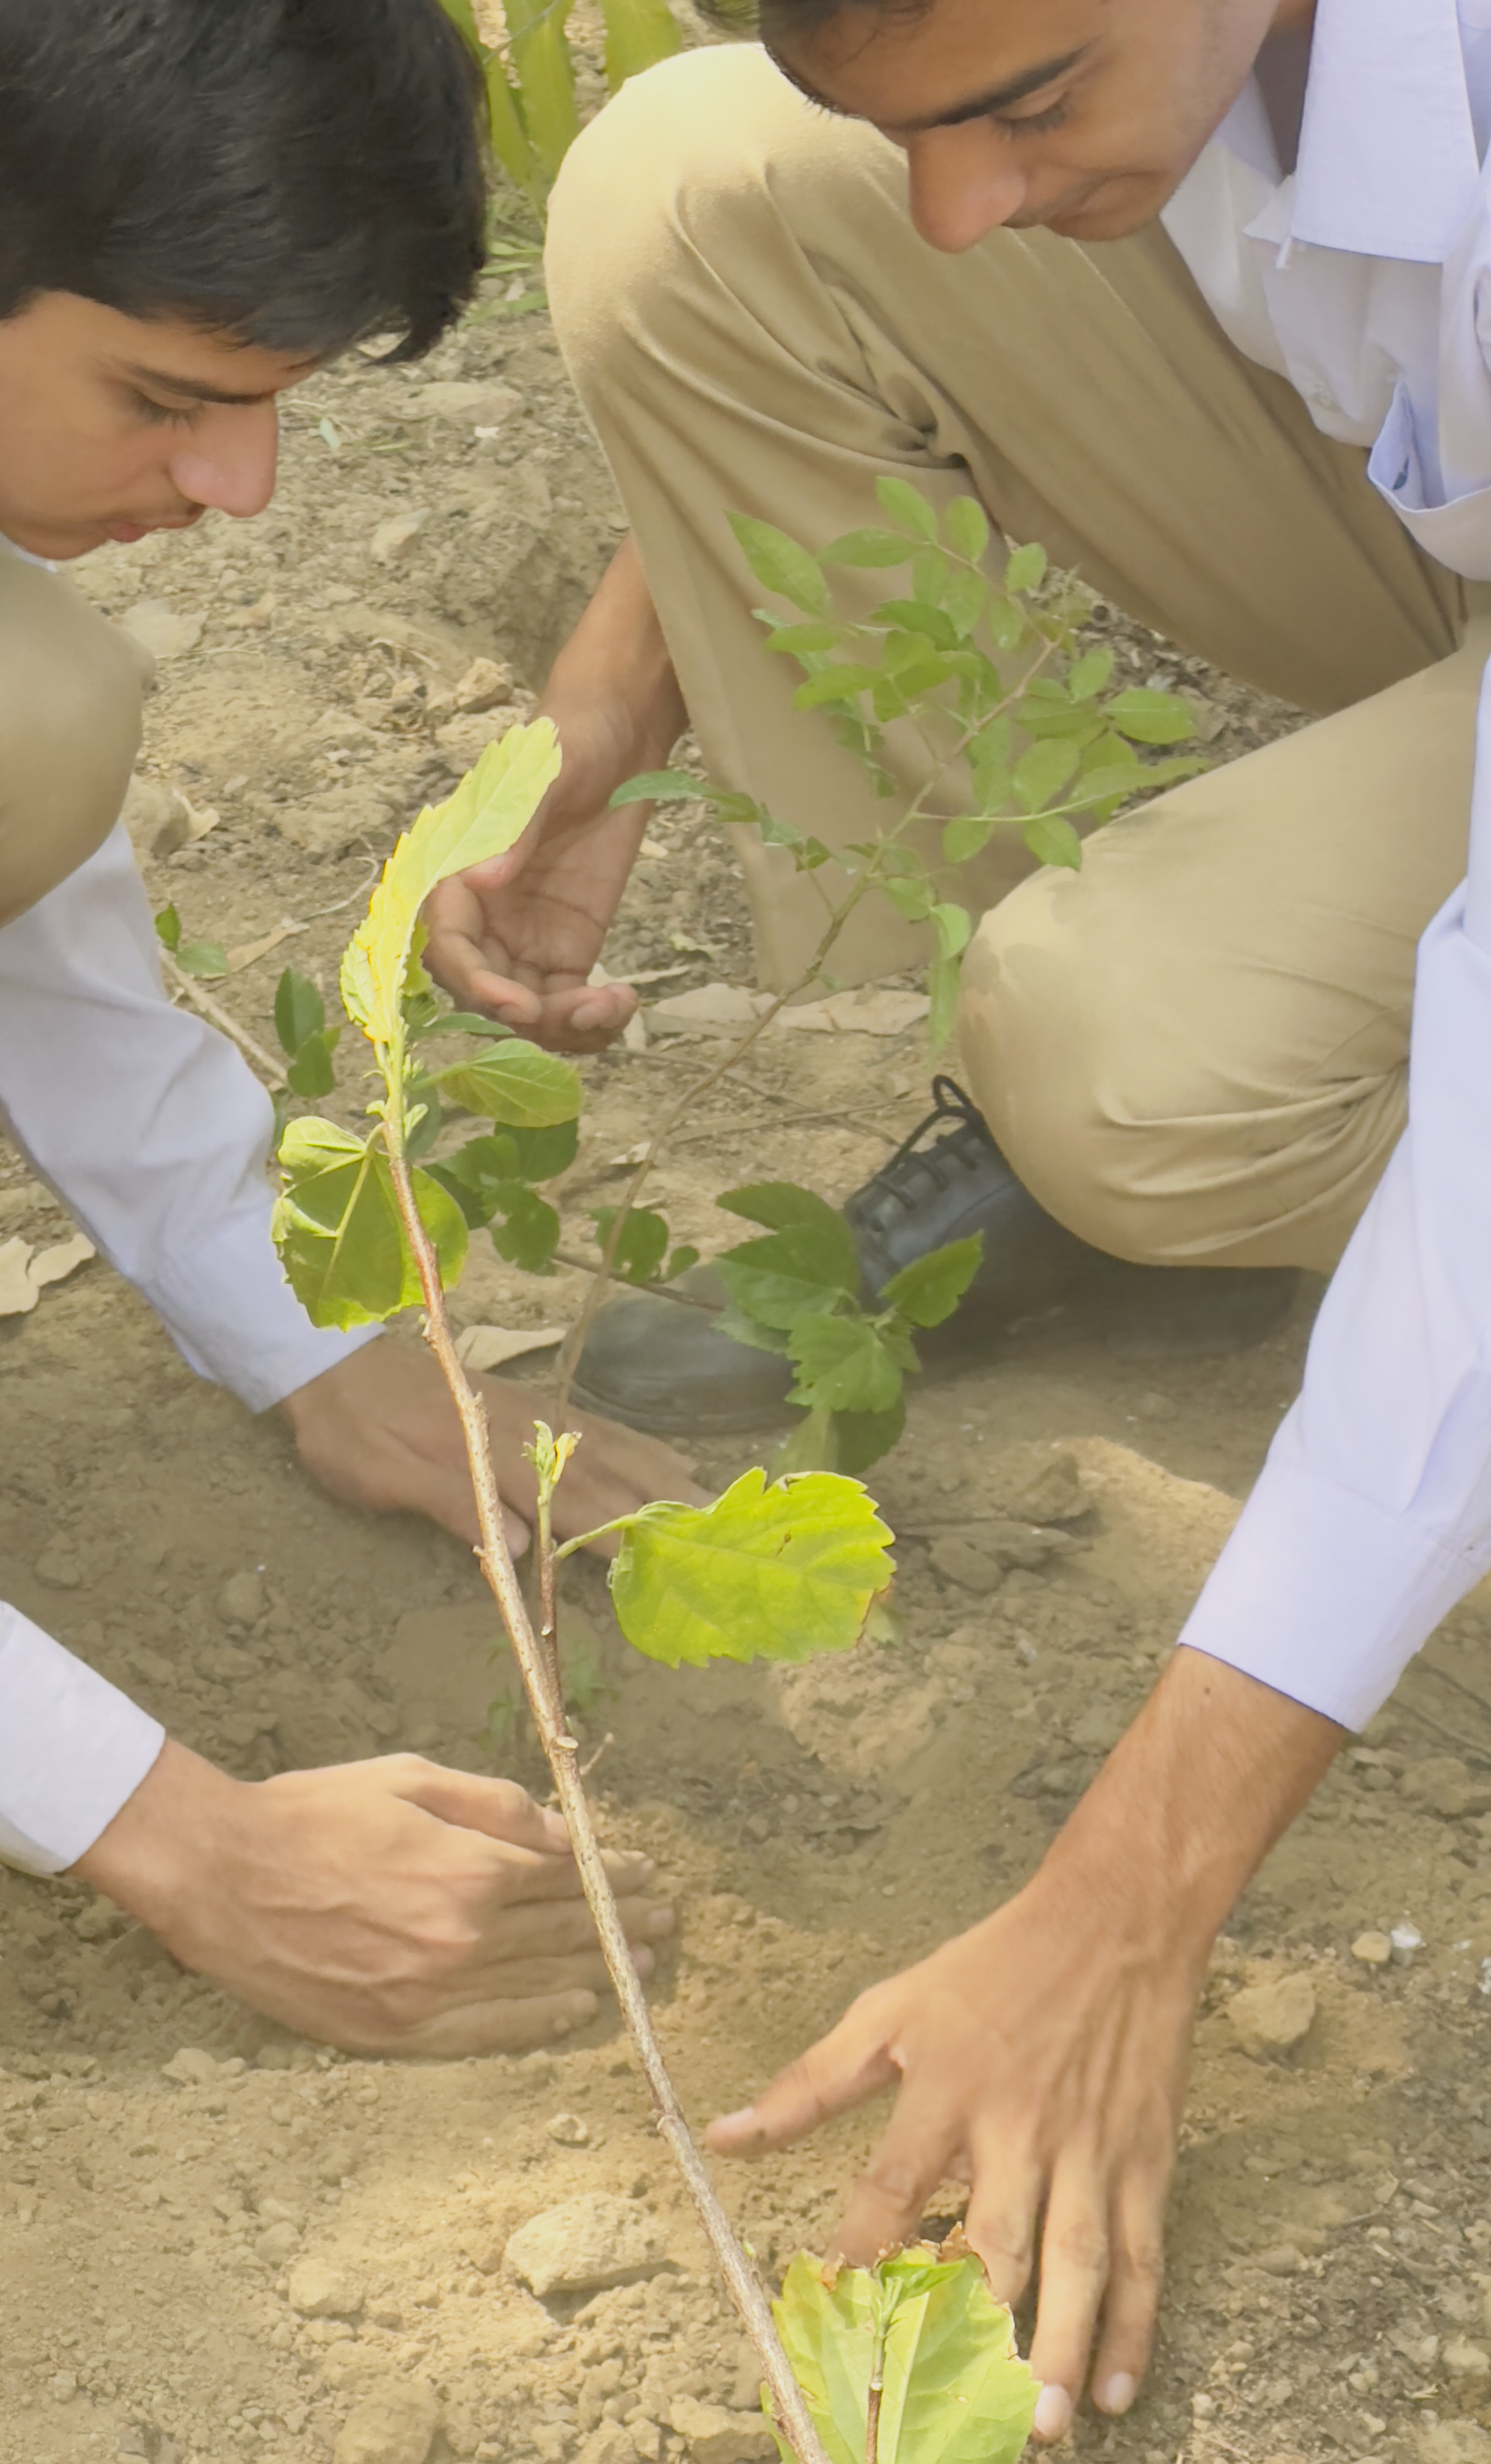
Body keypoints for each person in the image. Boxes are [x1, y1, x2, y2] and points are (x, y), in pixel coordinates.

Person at [425, 0, 1491, 2436]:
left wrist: (1129, 1913)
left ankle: (1152, 1110)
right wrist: (606, 715)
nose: (959, 210)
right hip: (1443, 494)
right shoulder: (1111, 73)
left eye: (1023, 106)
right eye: (915, 120)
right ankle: (1076, 1094)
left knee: (1147, 1065)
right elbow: (924, 164)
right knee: (692, 203)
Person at [0, 0, 695, 2070]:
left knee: (15, 708)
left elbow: (43, 882)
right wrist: (189, 1840)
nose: (243, 481)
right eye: (169, 398)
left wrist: (309, 1332)